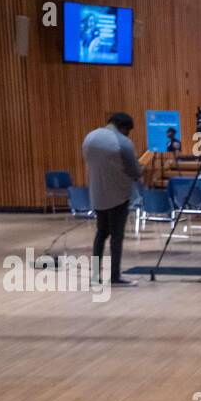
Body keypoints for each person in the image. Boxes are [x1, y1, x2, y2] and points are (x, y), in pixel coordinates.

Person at [81, 112, 142, 287]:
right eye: (128, 131)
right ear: (123, 127)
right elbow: (135, 172)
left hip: (97, 194)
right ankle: (115, 276)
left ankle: (95, 276)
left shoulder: (90, 138)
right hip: (118, 195)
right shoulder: (123, 142)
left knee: (101, 234)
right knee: (116, 236)